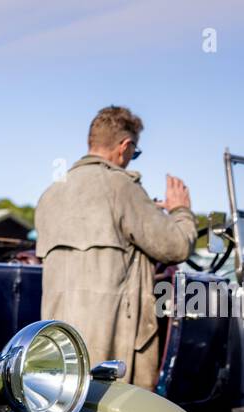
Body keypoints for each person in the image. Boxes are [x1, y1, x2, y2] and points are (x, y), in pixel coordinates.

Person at [35, 106, 196, 390]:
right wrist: (180, 209)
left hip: (59, 351)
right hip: (112, 357)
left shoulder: (50, 195)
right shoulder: (123, 188)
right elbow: (176, 247)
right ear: (125, 146)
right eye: (135, 152)